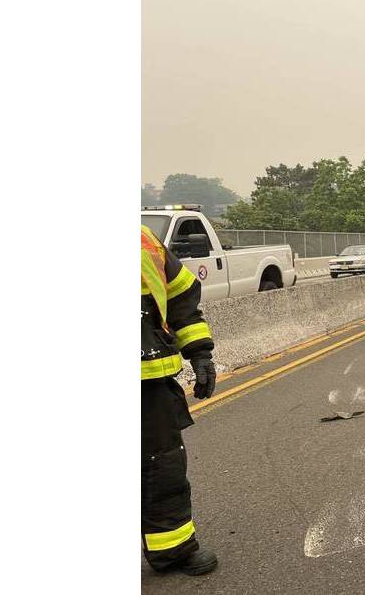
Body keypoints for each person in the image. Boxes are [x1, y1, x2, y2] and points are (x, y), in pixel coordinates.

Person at [140, 225, 219, 575]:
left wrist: (200, 354)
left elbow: (181, 298)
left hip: (148, 381)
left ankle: (171, 549)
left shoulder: (141, 240)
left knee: (163, 465)